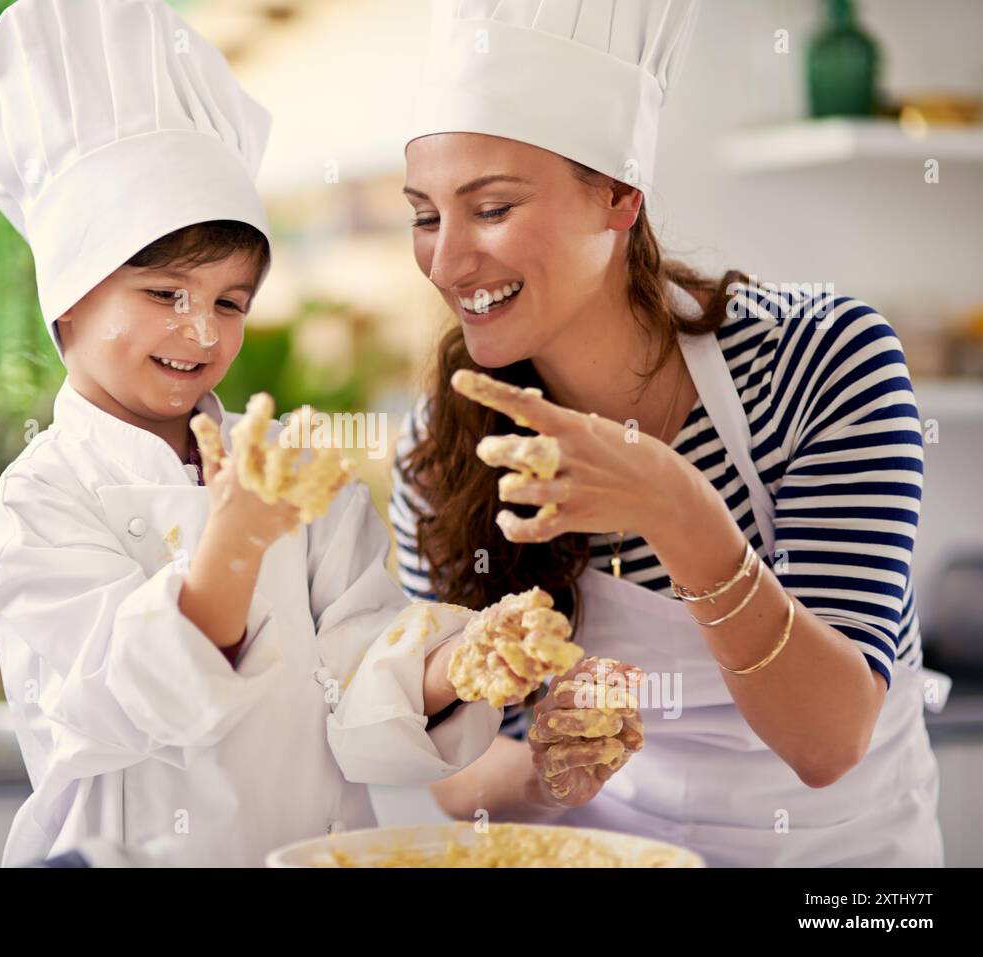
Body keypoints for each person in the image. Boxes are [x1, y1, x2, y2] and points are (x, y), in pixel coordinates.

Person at [391, 0, 943, 866]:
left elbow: (829, 741)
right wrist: (546, 765)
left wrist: (675, 507)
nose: (446, 260)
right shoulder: (448, 447)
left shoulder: (820, 362)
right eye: (425, 215)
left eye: (491, 208)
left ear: (618, 196)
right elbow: (451, 775)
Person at [0, 0, 500, 867]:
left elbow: (361, 669)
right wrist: (235, 540)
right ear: (68, 293)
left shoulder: (295, 474)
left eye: (229, 303)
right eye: (166, 294)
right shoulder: (44, 499)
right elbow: (120, 704)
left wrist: (463, 666)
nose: (203, 333)